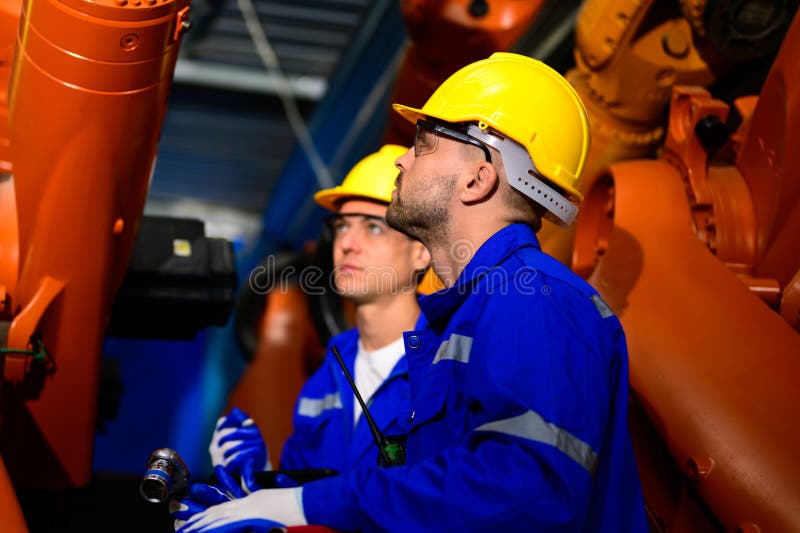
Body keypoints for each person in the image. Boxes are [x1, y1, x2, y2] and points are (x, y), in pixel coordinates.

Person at [174, 52, 648, 532]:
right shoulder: (464, 320)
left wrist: (303, 506)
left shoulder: (533, 300)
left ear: (477, 178)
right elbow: (414, 493)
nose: (402, 156)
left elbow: (524, 488)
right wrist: (266, 494)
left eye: (423, 143)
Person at [173, 145, 430, 527]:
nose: (347, 243)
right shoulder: (329, 373)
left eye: (373, 227)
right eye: (342, 226)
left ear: (422, 253)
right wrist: (260, 475)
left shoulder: (447, 364)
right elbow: (303, 497)